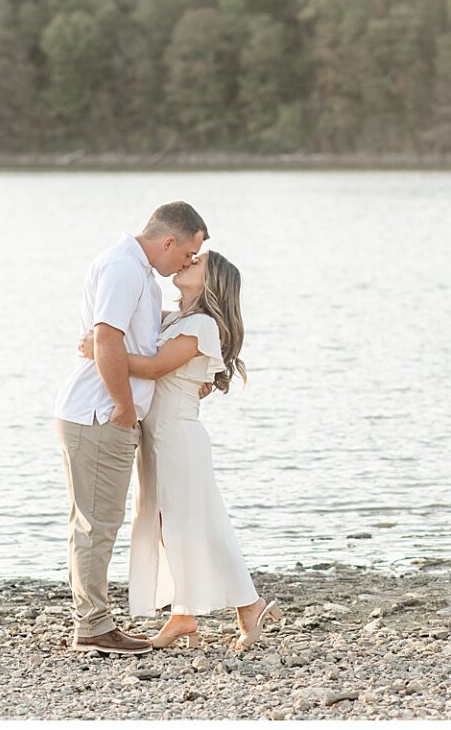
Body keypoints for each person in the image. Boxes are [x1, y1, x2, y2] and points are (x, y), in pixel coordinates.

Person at [78, 250, 281, 651]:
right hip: (157, 439)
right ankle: (185, 615)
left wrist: (99, 352)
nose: (187, 263)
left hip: (179, 439)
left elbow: (154, 368)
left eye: (197, 262)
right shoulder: (174, 319)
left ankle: (247, 605)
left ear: (211, 282)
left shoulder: (204, 325)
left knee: (196, 525)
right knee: (167, 526)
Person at [52, 203, 207, 655]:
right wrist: (122, 405)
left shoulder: (137, 272)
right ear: (169, 241)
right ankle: (94, 627)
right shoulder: (123, 268)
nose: (186, 263)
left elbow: (138, 341)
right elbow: (106, 338)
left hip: (99, 413)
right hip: (100, 414)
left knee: (94, 521)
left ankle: (92, 620)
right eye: (187, 253)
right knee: (97, 524)